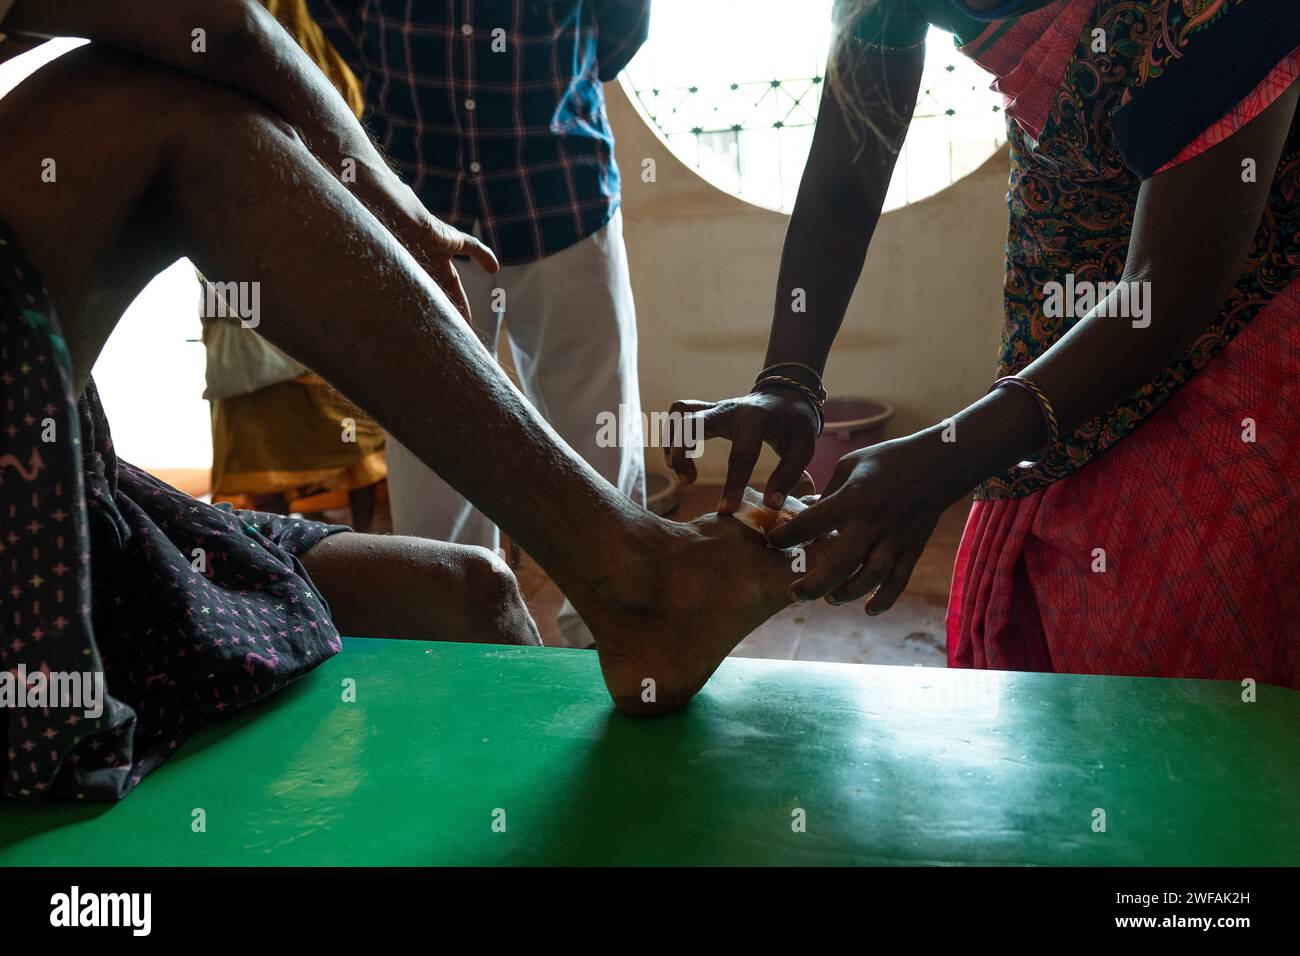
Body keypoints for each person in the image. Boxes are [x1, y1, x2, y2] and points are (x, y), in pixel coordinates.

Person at [0, 0, 806, 801]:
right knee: (144, 103)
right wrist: (386, 197)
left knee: (473, 589)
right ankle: (635, 576)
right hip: (426, 185)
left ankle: (616, 599)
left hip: (555, 194)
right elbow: (218, 24)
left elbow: (619, 30)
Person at [669, 0, 1300, 688]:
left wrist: (944, 461)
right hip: (1063, 318)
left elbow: (1166, 291)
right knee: (1057, 633)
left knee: (1177, 650)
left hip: (1245, 325)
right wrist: (787, 380)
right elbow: (848, 179)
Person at [308, 1, 652, 646]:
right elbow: (339, 19)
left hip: (563, 198)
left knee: (597, 435)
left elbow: (621, 29)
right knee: (432, 451)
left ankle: (611, 633)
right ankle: (461, 642)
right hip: (417, 209)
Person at [203, 0, 387, 530]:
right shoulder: (218, 20)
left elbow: (347, 108)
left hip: (326, 216)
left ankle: (351, 540)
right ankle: (285, 547)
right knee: (260, 402)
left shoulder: (327, 19)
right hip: (234, 216)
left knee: (341, 394)